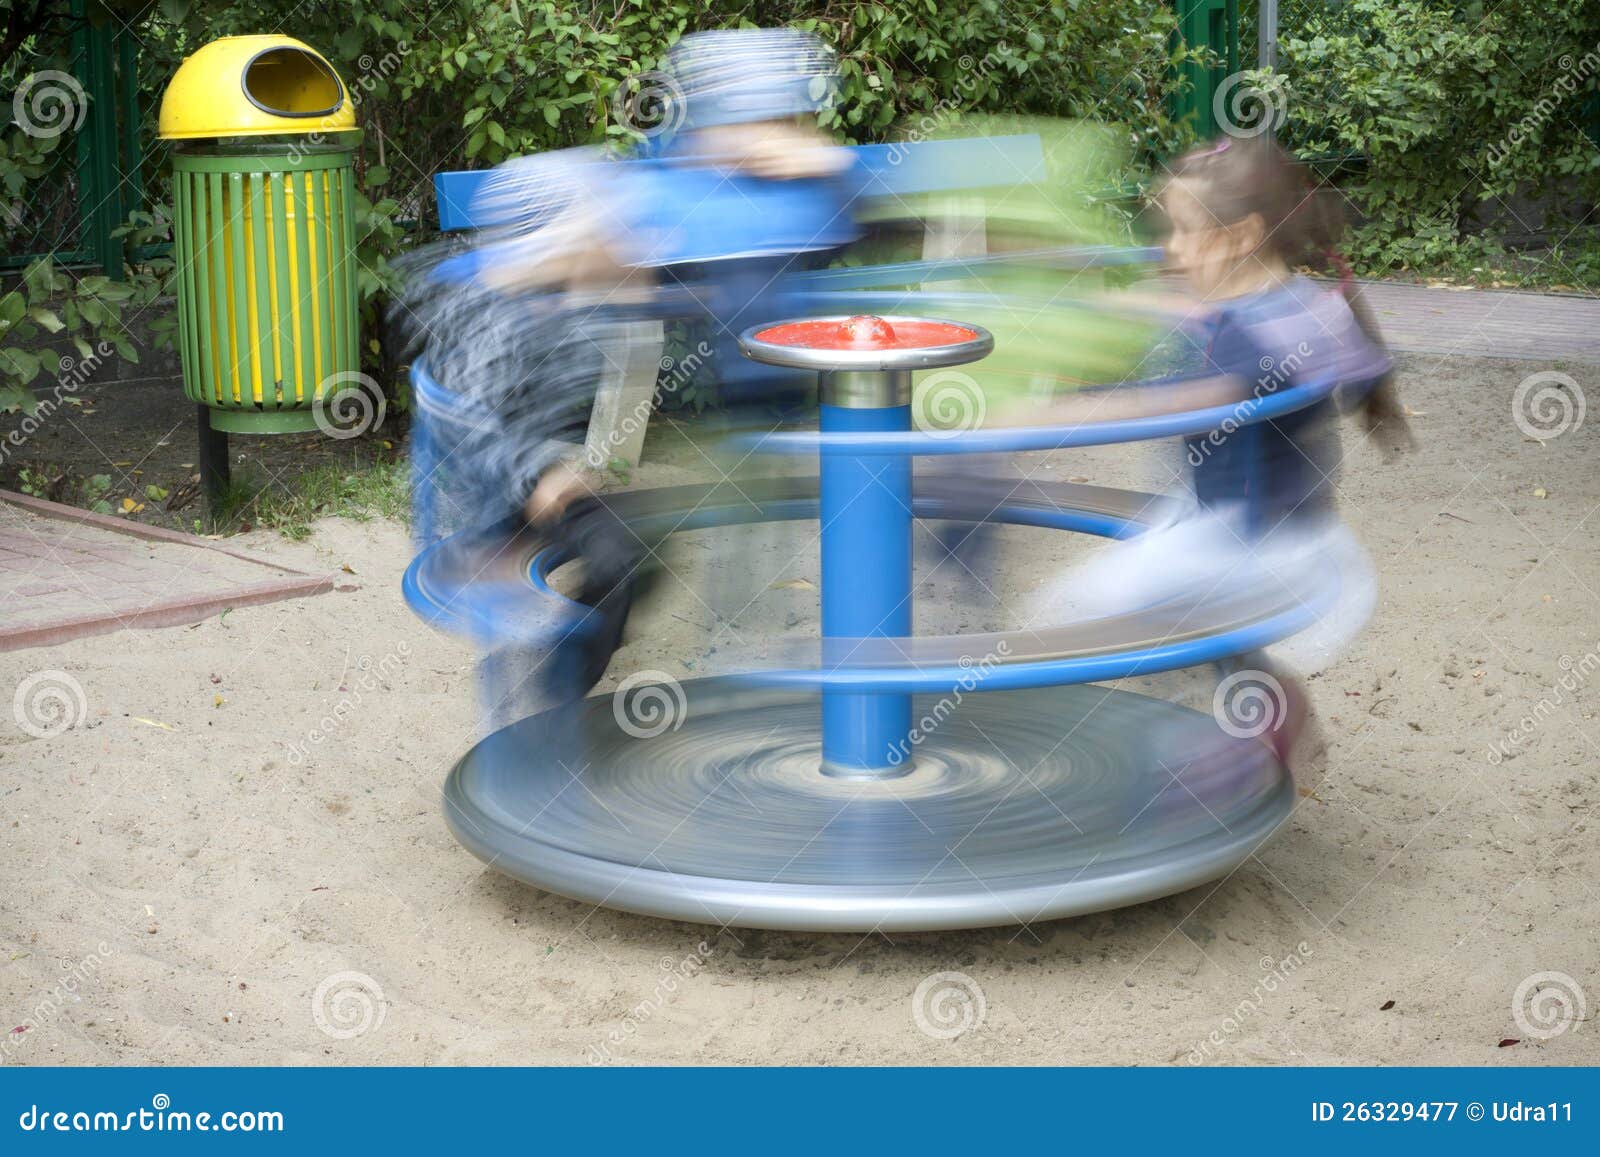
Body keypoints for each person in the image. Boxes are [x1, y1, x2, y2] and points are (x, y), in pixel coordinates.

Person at [1024, 135, 1409, 763]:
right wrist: (1095, 301)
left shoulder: (1251, 335)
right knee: (1185, 619)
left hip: (1249, 548)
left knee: (1075, 612)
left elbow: (1178, 401)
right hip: (1277, 528)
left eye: (1181, 231)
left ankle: (1207, 757)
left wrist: (1047, 415)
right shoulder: (1298, 302)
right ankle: (1263, 709)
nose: (1170, 250)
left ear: (1240, 236)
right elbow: (1188, 312)